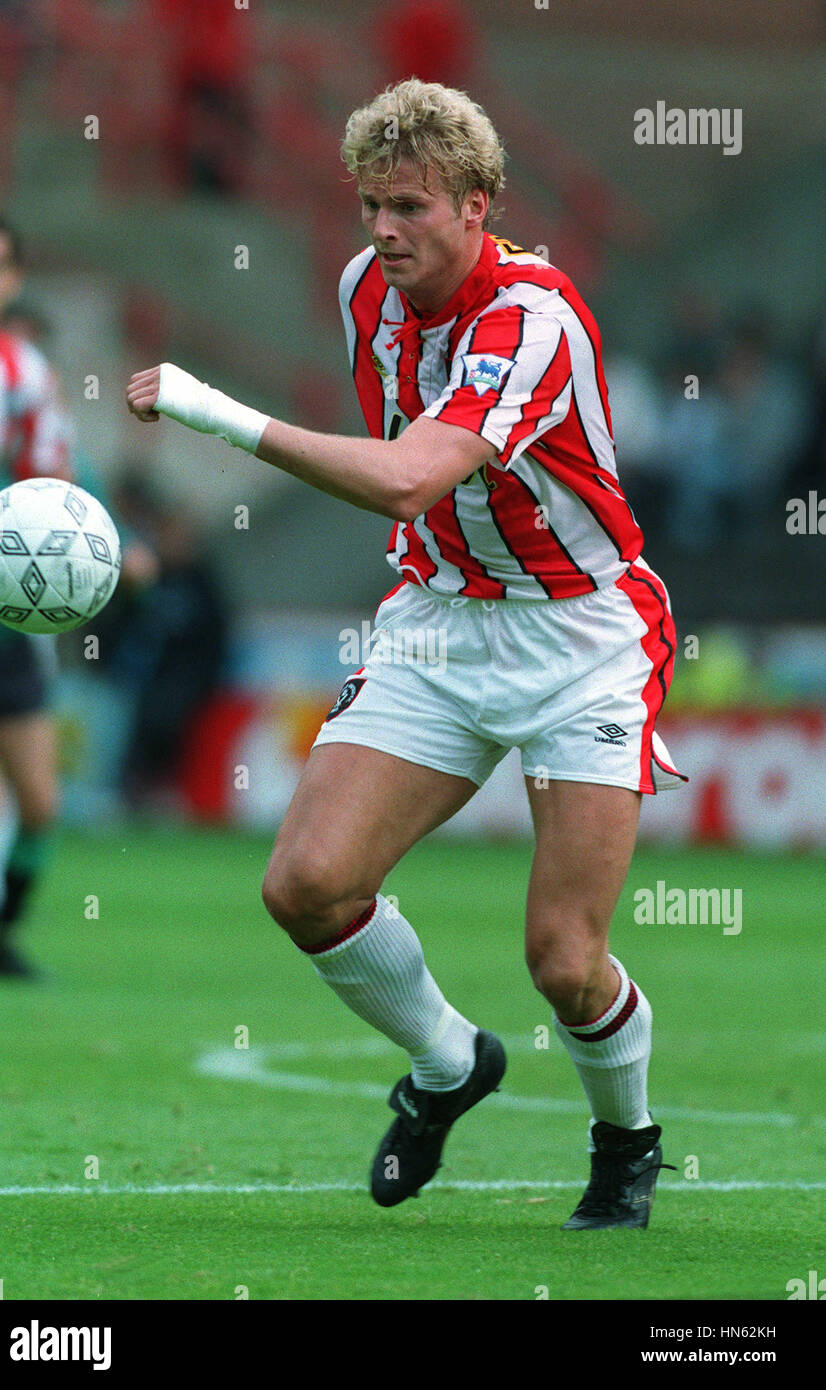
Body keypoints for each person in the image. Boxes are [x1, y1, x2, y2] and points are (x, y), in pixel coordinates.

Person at [127, 79, 686, 1230]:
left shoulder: (532, 318)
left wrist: (207, 409)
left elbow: (406, 473)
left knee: (562, 959)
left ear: (478, 206)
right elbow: (410, 489)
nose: (383, 230)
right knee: (305, 883)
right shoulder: (362, 290)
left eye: (412, 208)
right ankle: (445, 1062)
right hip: (437, 618)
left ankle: (626, 1141)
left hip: (580, 634)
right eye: (371, 204)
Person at [0, 213, 72, 978]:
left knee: (37, 802)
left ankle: (0, 944)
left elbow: (52, 483)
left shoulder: (25, 373)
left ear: (13, 281)